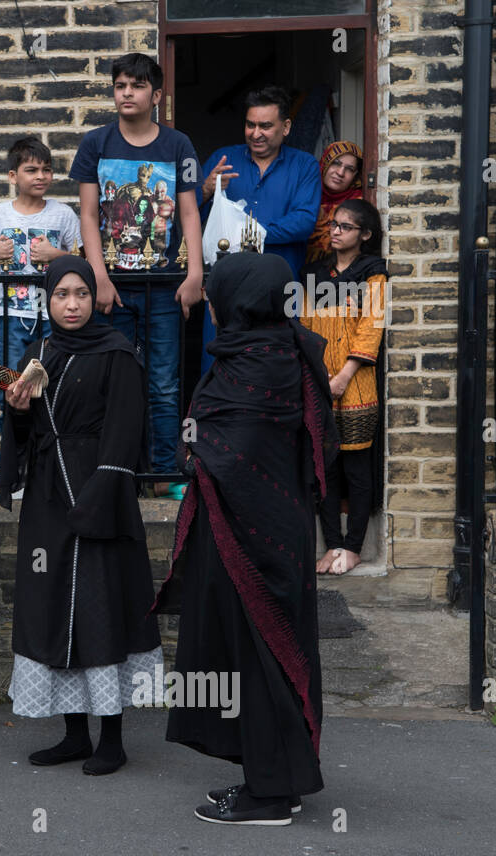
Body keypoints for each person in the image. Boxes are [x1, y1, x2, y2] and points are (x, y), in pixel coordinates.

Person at [152, 252, 337, 826]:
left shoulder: (260, 363)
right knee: (265, 654)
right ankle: (279, 775)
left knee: (260, 656)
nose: (209, 301)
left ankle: (269, 797)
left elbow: (231, 450)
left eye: (215, 292)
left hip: (251, 537)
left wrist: (196, 445)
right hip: (260, 529)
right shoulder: (278, 350)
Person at [0, 256, 162, 774]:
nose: (72, 304)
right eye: (61, 294)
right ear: (47, 299)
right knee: (52, 606)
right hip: (48, 496)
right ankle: (74, 734)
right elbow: (28, 434)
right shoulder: (38, 351)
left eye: (82, 294)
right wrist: (19, 412)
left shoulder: (118, 354)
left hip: (99, 490)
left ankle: (111, 737)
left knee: (99, 607)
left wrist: (100, 492)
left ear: (96, 298)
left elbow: (125, 432)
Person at [71, 53, 204, 496]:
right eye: (121, 85)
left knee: (164, 385)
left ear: (157, 95)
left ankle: (165, 473)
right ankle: (115, 473)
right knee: (111, 383)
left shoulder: (177, 145)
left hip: (165, 286)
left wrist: (194, 274)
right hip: (112, 290)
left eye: (137, 85)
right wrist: (99, 276)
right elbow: (88, 215)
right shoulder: (96, 143)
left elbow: (188, 210)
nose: (127, 92)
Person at [199, 85, 323, 373]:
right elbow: (191, 215)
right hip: (225, 288)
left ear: (286, 126)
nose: (256, 133)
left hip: (279, 288)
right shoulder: (223, 160)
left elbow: (304, 221)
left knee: (274, 368)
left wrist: (246, 234)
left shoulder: (303, 165)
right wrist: (206, 189)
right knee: (218, 365)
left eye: (266, 126)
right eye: (250, 124)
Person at [0, 136, 81, 462]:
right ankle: (11, 448)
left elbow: (84, 258)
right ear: (12, 176)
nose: (40, 176)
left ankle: (46, 446)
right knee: (10, 375)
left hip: (52, 314)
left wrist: (55, 254)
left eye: (46, 170)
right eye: (31, 169)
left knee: (52, 375)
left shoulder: (62, 215)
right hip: (10, 311)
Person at [302, 198, 386, 575]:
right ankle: (332, 543)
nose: (335, 231)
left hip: (356, 384)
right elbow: (304, 329)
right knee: (326, 467)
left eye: (345, 227)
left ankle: (353, 549)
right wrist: (318, 377)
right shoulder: (314, 273)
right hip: (319, 383)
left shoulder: (373, 273)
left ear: (364, 235)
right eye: (334, 224)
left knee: (356, 466)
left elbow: (371, 328)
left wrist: (344, 375)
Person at [306, 141, 363, 265]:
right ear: (325, 163)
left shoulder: (359, 204)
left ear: (355, 175)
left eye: (349, 169)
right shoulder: (304, 195)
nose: (340, 173)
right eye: (336, 163)